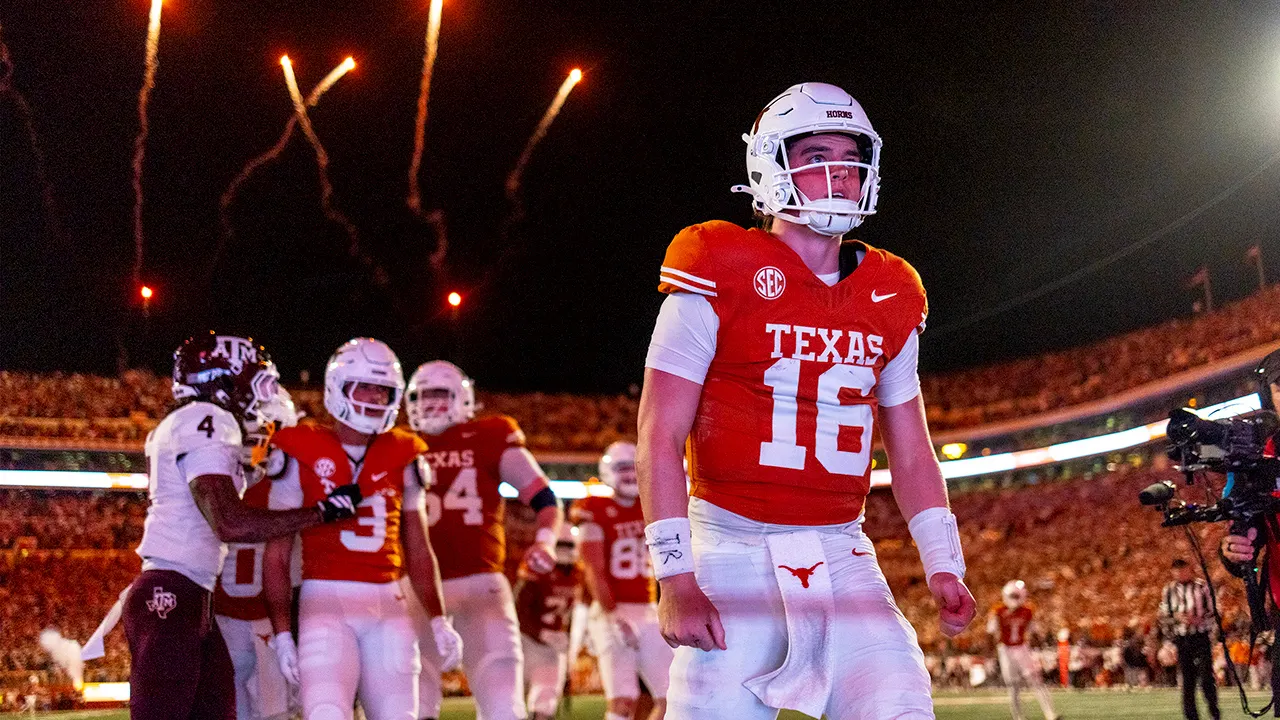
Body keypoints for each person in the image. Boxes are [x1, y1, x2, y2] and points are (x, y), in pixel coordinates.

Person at [637, 82, 976, 720]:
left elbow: (910, 449)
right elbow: (657, 432)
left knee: (902, 708)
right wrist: (675, 577)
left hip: (841, 551)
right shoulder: (715, 261)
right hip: (731, 548)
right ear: (770, 164)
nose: (837, 173)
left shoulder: (893, 288)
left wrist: (942, 564)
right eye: (815, 153)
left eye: (849, 159)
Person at [124, 332, 363, 720]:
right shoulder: (208, 418)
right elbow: (229, 523)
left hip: (192, 593)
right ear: (222, 380)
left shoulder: (192, 422)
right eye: (255, 381)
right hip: (172, 593)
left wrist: (260, 468)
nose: (262, 394)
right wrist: (320, 512)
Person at [263, 338, 463, 720]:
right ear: (338, 387)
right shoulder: (299, 448)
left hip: (389, 605)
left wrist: (438, 619)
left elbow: (419, 549)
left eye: (383, 389)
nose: (374, 397)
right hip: (324, 603)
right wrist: (282, 632)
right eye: (364, 386)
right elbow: (277, 553)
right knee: (325, 713)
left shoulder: (405, 453)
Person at [403, 360, 563, 720]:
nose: (429, 404)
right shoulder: (400, 445)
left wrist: (546, 541)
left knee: (503, 705)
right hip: (419, 590)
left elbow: (545, 499)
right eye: (422, 396)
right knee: (412, 705)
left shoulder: (488, 436)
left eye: (439, 395)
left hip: (481, 584)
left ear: (462, 398)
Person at [572, 442, 674, 720]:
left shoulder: (650, 506)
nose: (629, 475)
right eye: (621, 468)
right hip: (612, 609)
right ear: (607, 472)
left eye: (632, 467)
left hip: (648, 609)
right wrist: (612, 613)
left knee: (673, 698)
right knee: (623, 701)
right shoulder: (594, 507)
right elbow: (593, 568)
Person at [514, 524, 583, 720]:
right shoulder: (537, 570)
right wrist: (541, 633)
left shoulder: (576, 572)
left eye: (569, 545)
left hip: (553, 648)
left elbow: (575, 613)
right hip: (526, 642)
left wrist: (569, 641)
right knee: (511, 704)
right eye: (561, 544)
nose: (565, 550)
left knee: (545, 704)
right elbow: (519, 610)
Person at [987, 581, 1059, 720]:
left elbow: (1035, 631)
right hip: (1005, 649)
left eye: (1016, 595)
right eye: (1012, 595)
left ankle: (1050, 714)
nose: (1014, 599)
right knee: (1013, 684)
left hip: (1022, 647)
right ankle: (1018, 717)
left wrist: (1042, 645)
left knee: (1036, 680)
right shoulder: (998, 610)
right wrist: (990, 652)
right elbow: (990, 633)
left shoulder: (1027, 610)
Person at [1158, 558, 1220, 720]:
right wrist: (1177, 618)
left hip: (1200, 636)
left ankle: (1214, 711)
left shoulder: (1202, 587)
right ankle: (1191, 716)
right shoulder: (1169, 590)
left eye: (1183, 570)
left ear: (1189, 569)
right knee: (1187, 679)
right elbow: (1164, 615)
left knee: (1206, 676)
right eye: (1177, 571)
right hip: (1182, 638)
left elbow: (1214, 611)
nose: (1180, 574)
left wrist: (1199, 619)